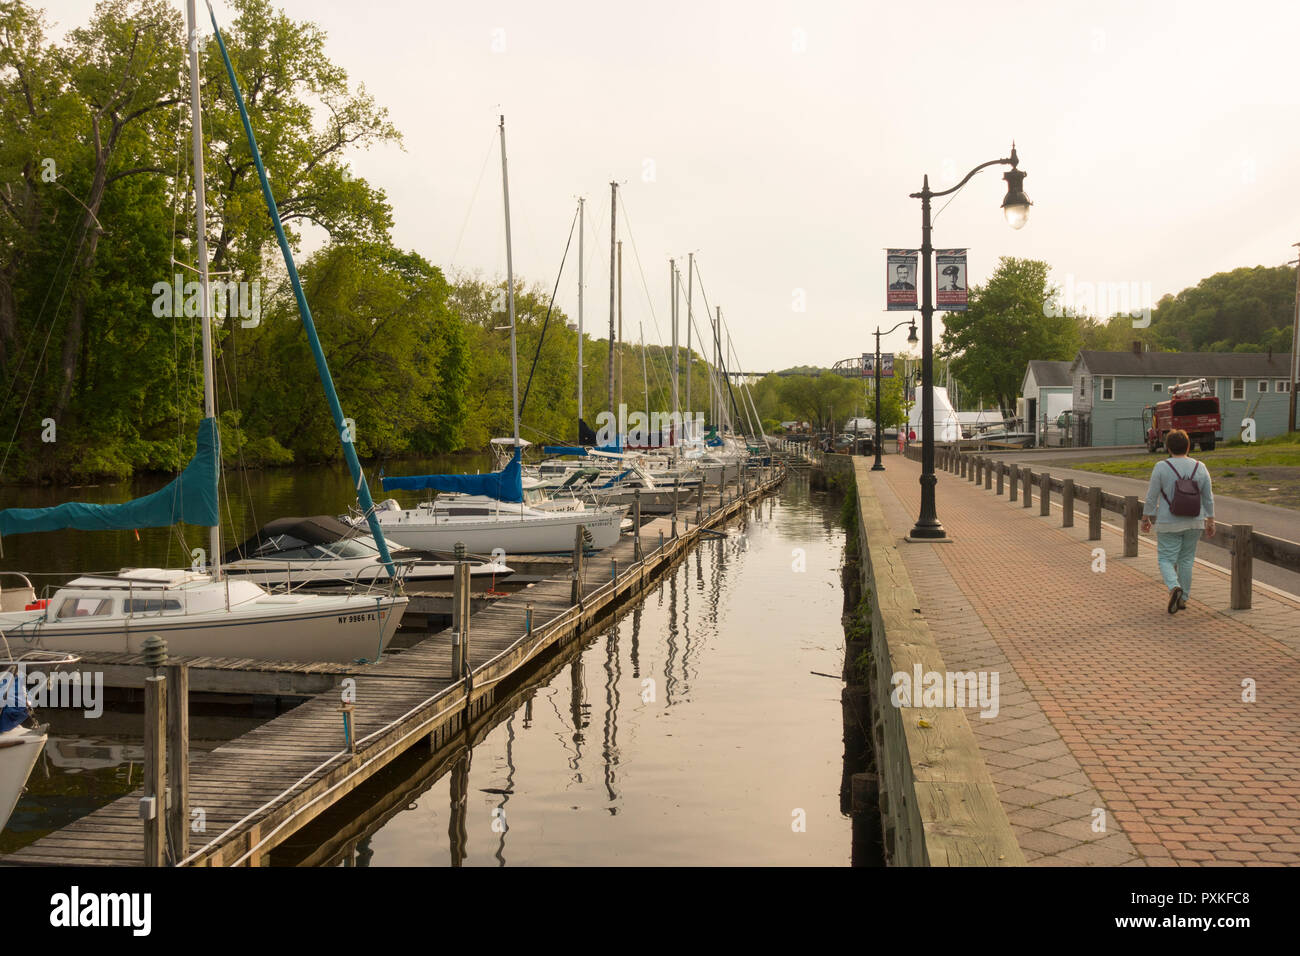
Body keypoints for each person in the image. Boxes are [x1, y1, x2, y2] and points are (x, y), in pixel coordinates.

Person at [1141, 429, 1215, 614]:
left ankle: (1174, 586)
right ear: (1188, 446)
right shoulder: (1200, 467)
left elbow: (1152, 495)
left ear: (1168, 447)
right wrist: (1211, 519)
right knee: (1187, 560)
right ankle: (1183, 598)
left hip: (1168, 521)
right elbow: (1208, 497)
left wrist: (1146, 517)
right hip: (1195, 521)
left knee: (1165, 558)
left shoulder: (1161, 467)